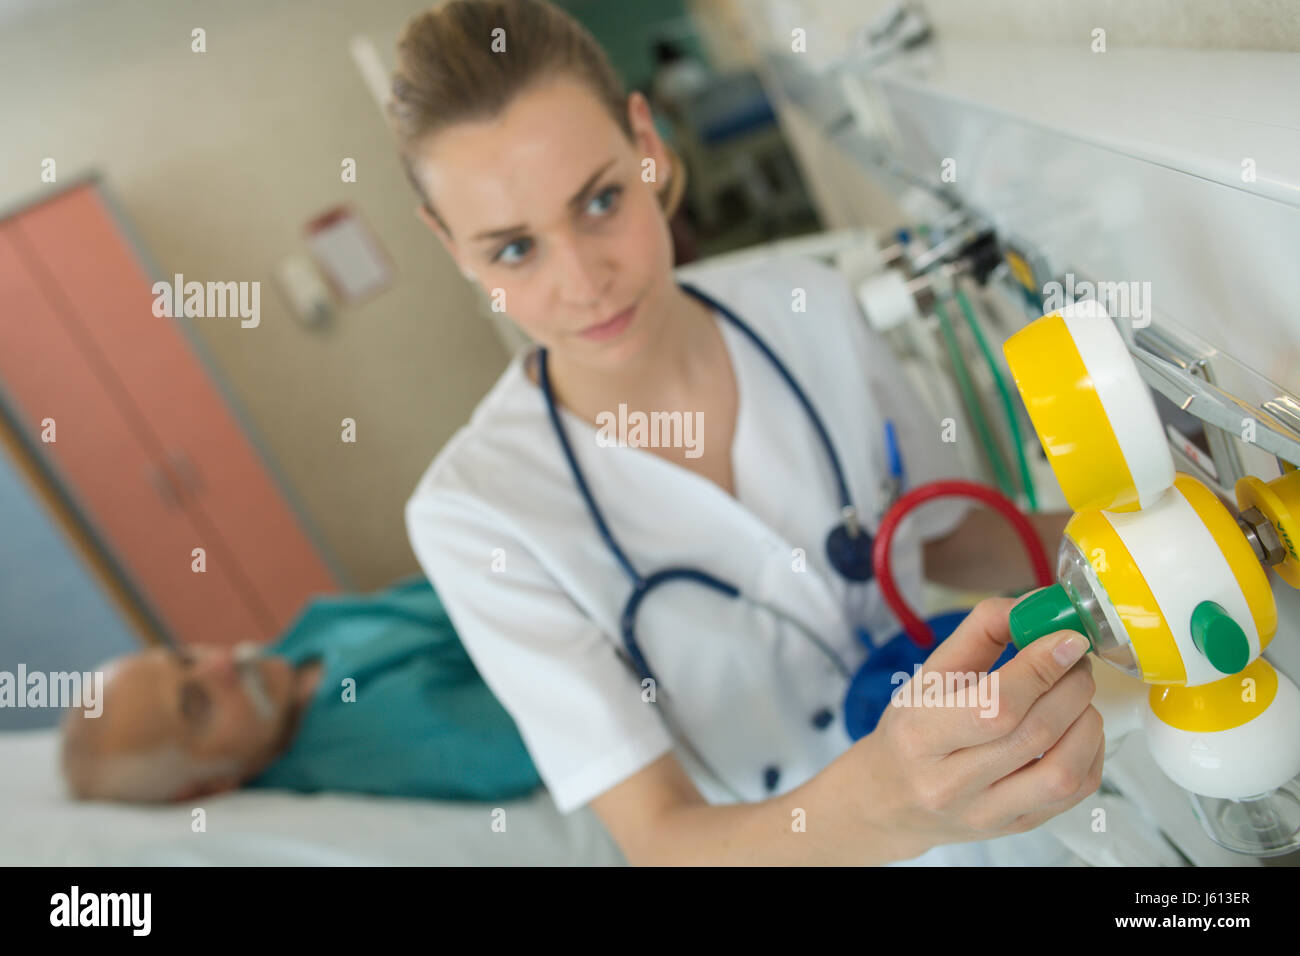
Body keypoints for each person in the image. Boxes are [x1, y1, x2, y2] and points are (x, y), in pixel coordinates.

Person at [396, 0, 1101, 865]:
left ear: (647, 145)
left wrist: (1153, 539)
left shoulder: (808, 305)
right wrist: (895, 805)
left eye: (602, 200)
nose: (583, 281)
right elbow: (661, 841)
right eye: (513, 250)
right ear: (450, 245)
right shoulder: (476, 514)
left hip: (1011, 810)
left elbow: (947, 540)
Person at [59, 575, 541, 804]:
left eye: (187, 657)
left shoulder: (294, 649)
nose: (221, 662)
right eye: (197, 704)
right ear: (209, 785)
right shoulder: (395, 736)